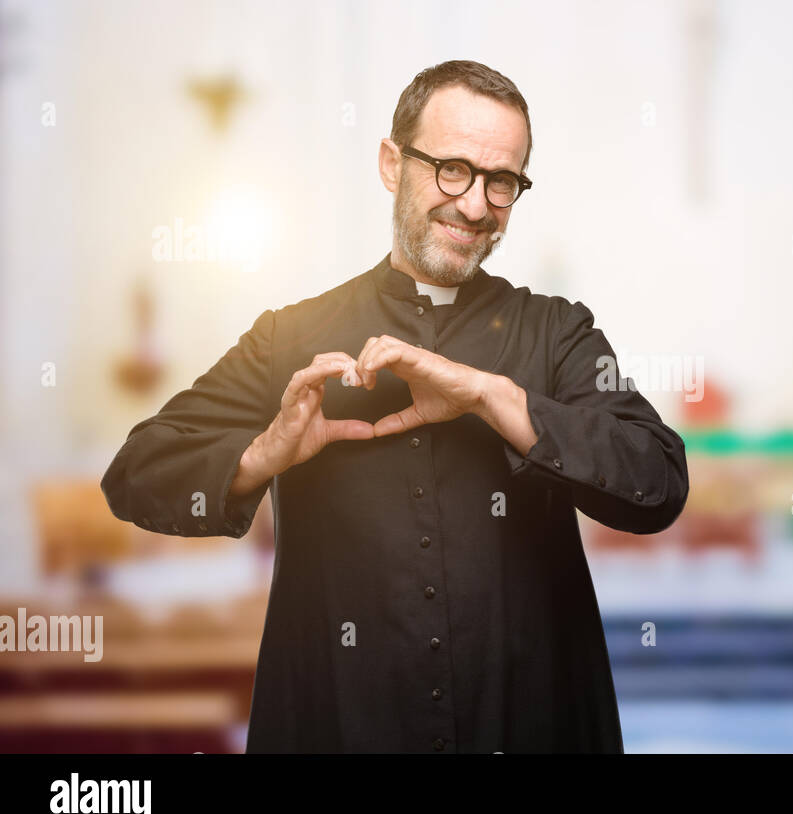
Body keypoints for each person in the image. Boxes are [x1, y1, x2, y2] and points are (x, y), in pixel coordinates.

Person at [101, 60, 689, 753]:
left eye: (502, 181)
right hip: (343, 722)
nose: (475, 205)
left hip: (530, 716)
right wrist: (263, 454)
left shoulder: (557, 332)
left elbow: (658, 480)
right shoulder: (290, 337)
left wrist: (490, 395)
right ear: (391, 162)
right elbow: (135, 470)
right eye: (451, 169)